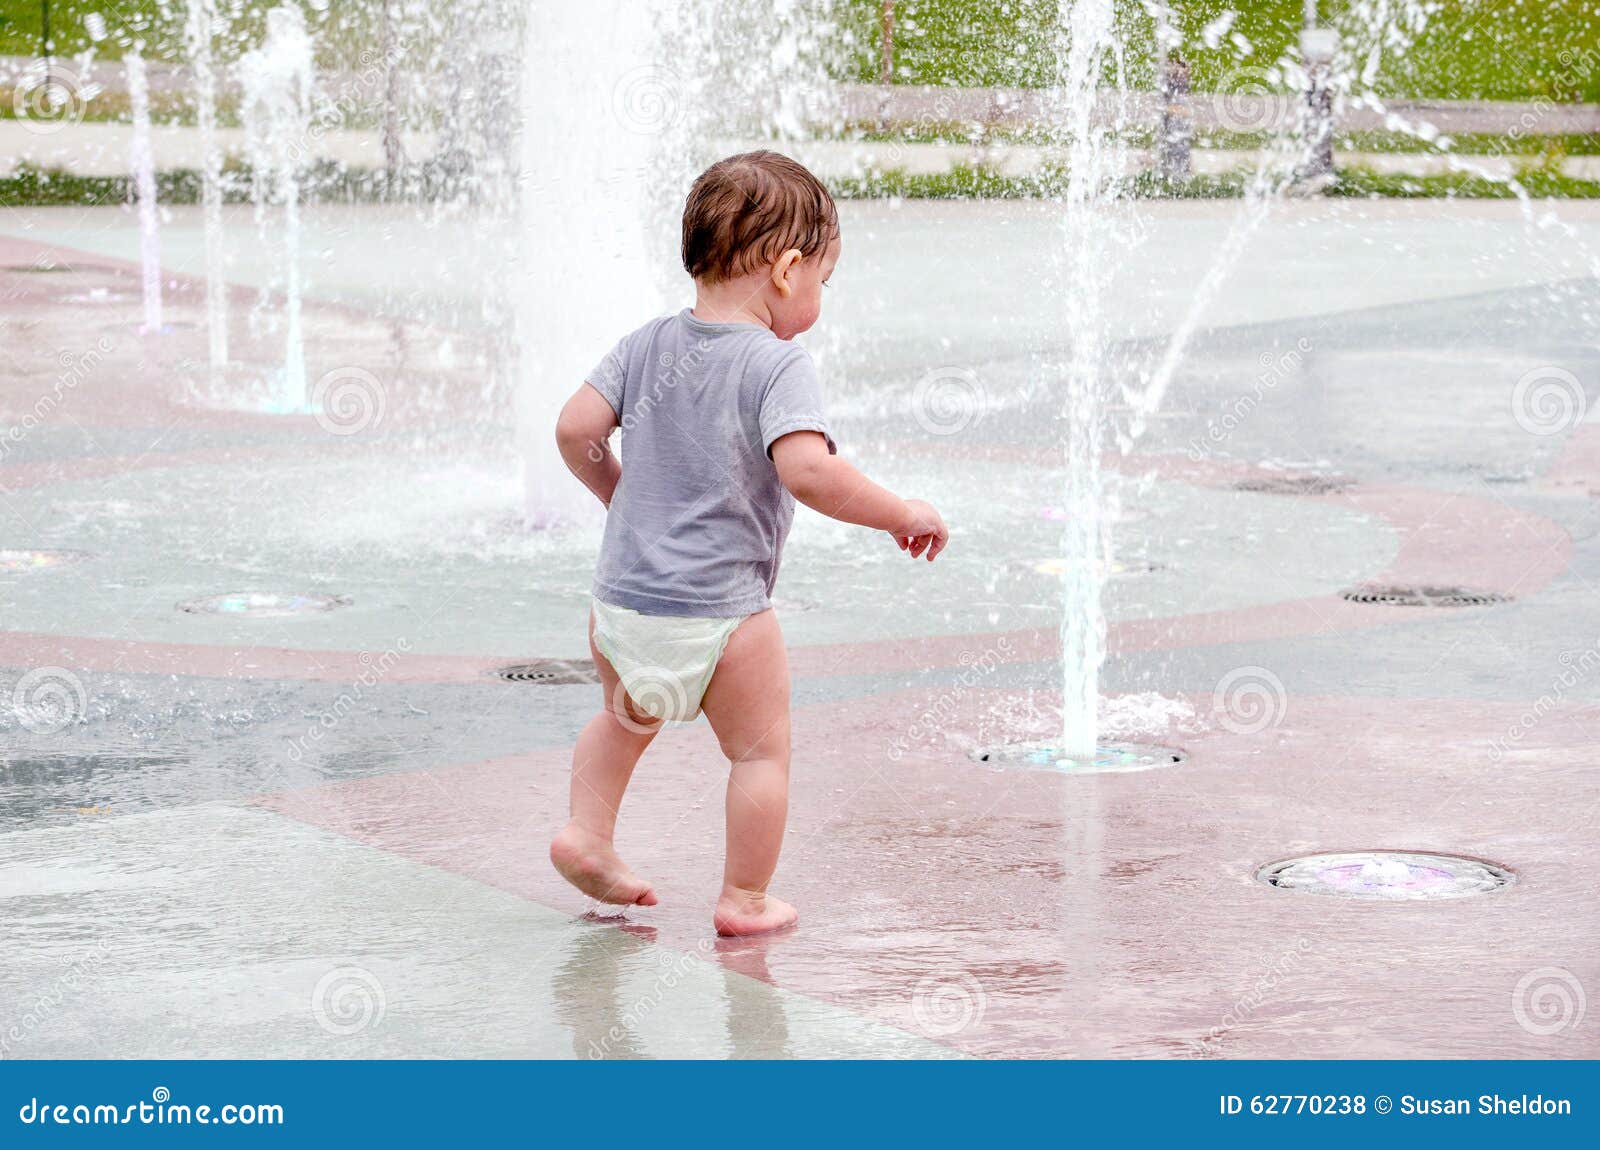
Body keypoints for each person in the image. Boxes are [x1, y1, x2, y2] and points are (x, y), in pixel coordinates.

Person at [549, 150, 948, 936]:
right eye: (825, 281)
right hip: (725, 617)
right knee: (760, 755)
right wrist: (900, 511)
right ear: (788, 269)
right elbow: (807, 470)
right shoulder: (777, 365)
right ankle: (744, 898)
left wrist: (619, 499)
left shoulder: (643, 343)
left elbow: (575, 429)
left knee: (624, 717)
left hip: (623, 606)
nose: (821, 298)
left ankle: (586, 833)